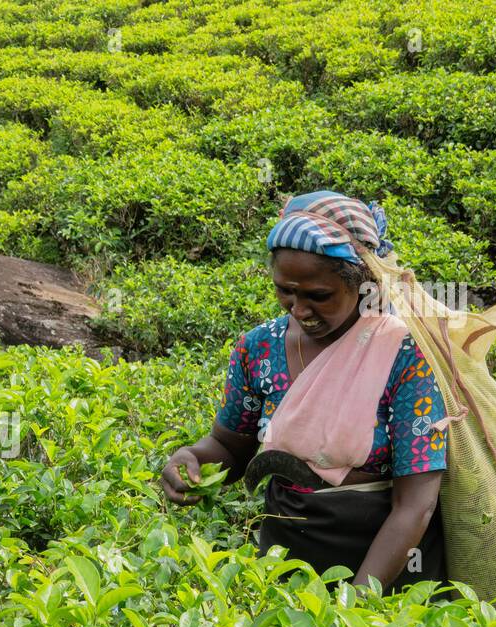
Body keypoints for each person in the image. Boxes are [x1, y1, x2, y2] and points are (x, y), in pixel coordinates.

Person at [160, 190, 449, 592]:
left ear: (362, 282)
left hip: (389, 566)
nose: (298, 309)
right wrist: (189, 459)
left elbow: (415, 506)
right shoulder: (258, 347)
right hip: (288, 557)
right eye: (286, 291)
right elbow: (229, 448)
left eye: (319, 296)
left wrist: (357, 607)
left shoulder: (404, 354)